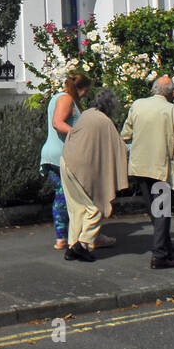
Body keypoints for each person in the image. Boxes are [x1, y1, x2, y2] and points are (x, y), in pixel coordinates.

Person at [121, 75, 174, 269]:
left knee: (154, 208)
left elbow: (126, 134)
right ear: (172, 92)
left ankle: (165, 244)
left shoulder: (138, 105)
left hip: (139, 165)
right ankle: (159, 255)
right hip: (162, 167)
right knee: (162, 210)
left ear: (153, 89)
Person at [60, 88, 129, 262]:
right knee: (97, 207)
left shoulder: (87, 114)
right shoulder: (105, 122)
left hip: (67, 162)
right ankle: (82, 244)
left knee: (77, 208)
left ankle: (72, 247)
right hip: (81, 167)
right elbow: (119, 147)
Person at [39, 74, 89, 250]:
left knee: (62, 194)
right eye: (85, 92)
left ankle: (63, 236)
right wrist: (80, 135)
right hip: (61, 156)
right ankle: (81, 236)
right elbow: (58, 123)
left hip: (52, 155)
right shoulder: (66, 99)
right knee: (71, 195)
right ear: (81, 89)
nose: (84, 96)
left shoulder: (57, 98)